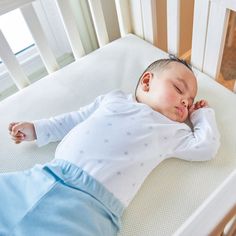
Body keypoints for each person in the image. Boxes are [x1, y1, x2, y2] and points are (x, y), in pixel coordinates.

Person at [3, 55, 220, 236]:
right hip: (45, 176)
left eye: (190, 102)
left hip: (90, 209)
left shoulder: (173, 131)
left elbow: (206, 147)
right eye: (179, 89)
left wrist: (202, 116)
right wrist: (37, 129)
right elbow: (74, 119)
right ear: (146, 82)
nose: (186, 102)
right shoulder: (113, 99)